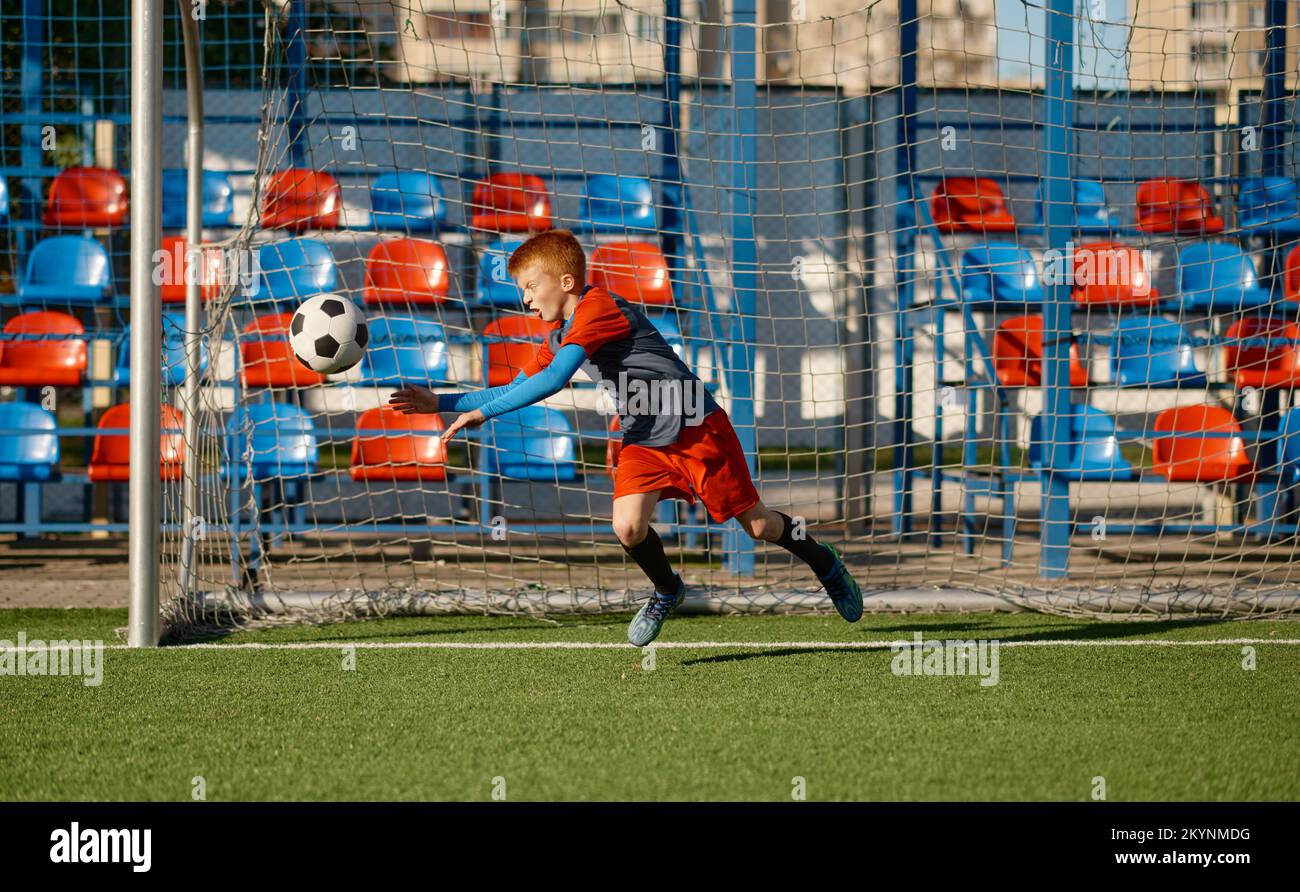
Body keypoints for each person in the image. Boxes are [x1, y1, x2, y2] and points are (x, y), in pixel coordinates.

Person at [390, 229, 861, 646]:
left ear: (567, 283)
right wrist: (444, 402)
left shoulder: (599, 308)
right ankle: (667, 590)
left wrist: (482, 414)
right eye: (521, 291)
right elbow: (516, 384)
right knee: (627, 527)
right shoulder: (558, 335)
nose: (526, 300)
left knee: (759, 527)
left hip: (697, 428)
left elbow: (553, 383)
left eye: (531, 287)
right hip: (642, 436)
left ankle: (823, 561)